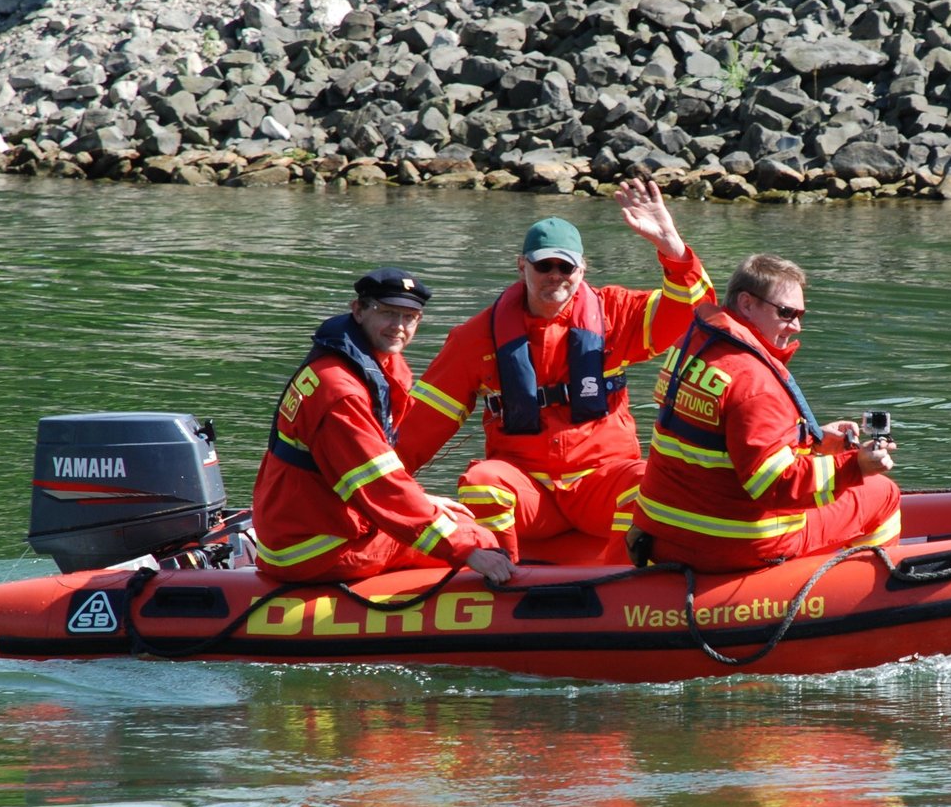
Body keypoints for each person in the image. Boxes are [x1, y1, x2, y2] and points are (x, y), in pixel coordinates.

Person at [397, 178, 714, 561]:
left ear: (582, 268)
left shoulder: (616, 312)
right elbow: (419, 426)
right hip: (530, 492)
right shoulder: (476, 338)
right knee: (482, 482)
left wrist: (671, 247)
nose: (555, 275)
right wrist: (384, 488)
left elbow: (695, 314)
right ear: (521, 266)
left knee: (649, 480)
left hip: (601, 482)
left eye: (565, 266)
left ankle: (619, 589)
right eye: (543, 265)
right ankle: (502, 580)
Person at [632, 253, 901, 571]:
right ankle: (848, 598)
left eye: (800, 314)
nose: (796, 326)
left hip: (667, 536)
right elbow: (775, 484)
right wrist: (855, 466)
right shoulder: (755, 382)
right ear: (746, 304)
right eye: (786, 312)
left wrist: (812, 441)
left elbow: (721, 440)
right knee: (884, 494)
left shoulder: (690, 346)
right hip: (734, 545)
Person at [251, 267, 513, 585]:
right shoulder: (340, 392)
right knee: (480, 539)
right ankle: (519, 589)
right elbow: (380, 485)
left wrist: (421, 499)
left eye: (410, 317)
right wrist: (470, 551)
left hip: (303, 524)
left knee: (453, 520)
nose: (398, 327)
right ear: (358, 310)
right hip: (313, 547)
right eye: (387, 312)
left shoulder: (368, 365)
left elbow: (368, 469)